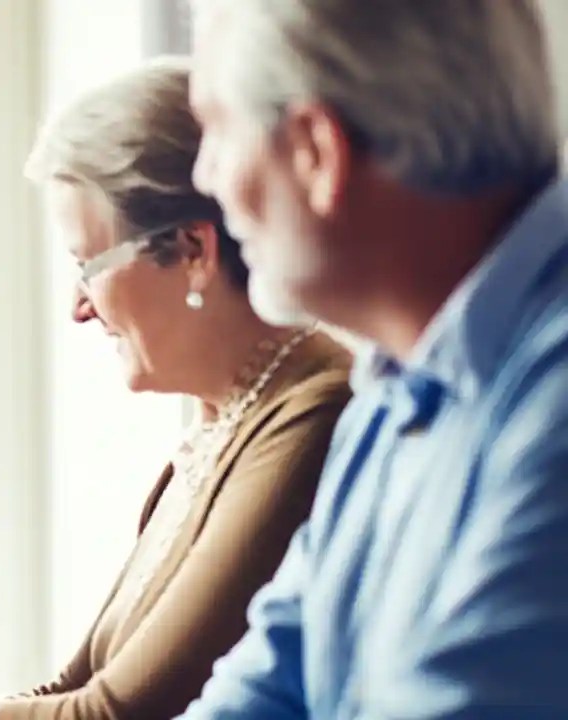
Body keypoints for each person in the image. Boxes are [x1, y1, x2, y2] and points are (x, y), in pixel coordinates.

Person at [0, 57, 352, 720]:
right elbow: (73, 686)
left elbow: (111, 714)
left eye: (88, 264)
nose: (78, 306)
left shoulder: (309, 416)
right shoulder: (219, 426)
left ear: (193, 251)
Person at [180, 0, 568, 717]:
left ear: (316, 151)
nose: (205, 177)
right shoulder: (393, 394)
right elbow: (266, 687)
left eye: (218, 130)